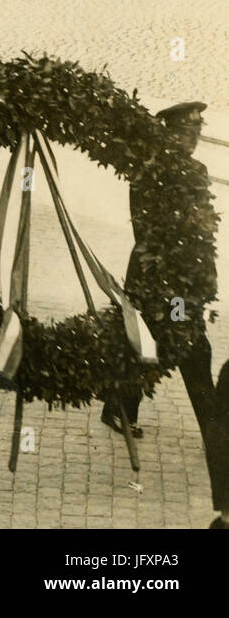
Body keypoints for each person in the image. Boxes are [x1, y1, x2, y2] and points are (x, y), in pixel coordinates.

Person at [99, 101, 228, 529]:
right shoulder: (147, 172)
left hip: (182, 288)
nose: (194, 137)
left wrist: (200, 280)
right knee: (148, 346)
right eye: (186, 131)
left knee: (188, 349)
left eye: (197, 130)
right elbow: (146, 230)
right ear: (169, 133)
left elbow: (204, 230)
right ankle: (123, 409)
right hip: (156, 281)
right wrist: (175, 283)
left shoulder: (198, 173)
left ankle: (209, 423)